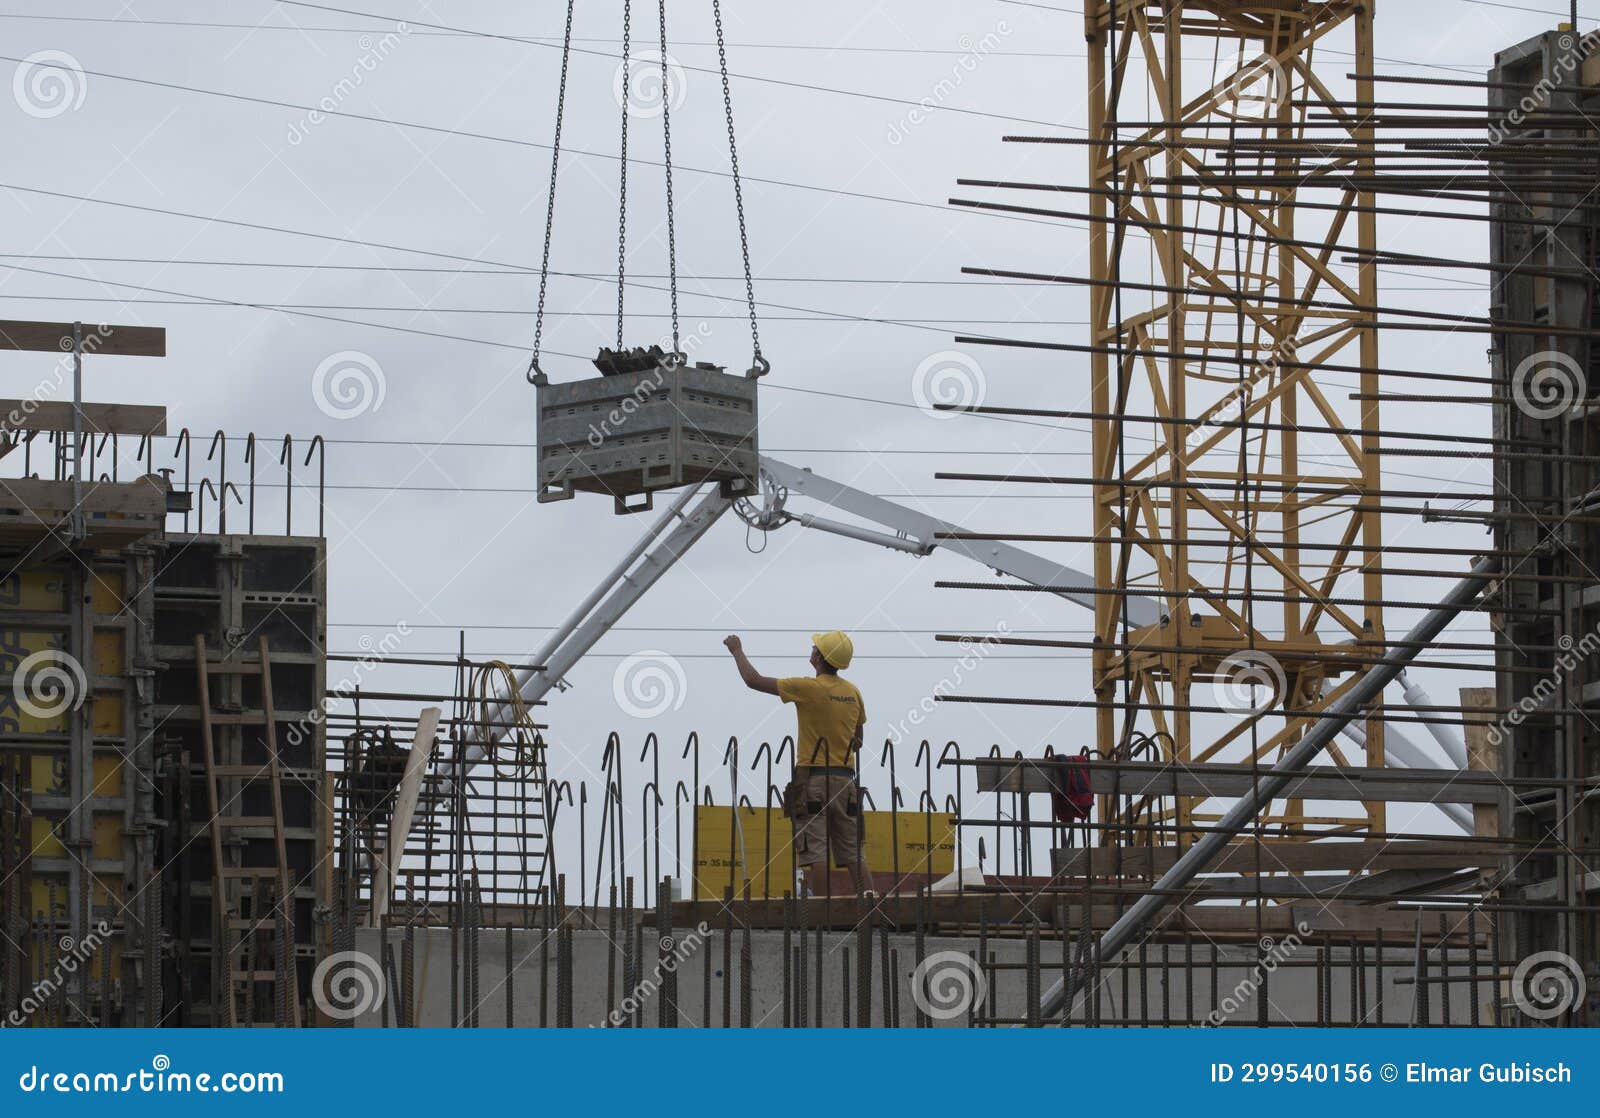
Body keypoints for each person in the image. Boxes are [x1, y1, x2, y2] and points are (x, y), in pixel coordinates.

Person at [723, 630, 870, 896]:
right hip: (846, 781)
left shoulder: (808, 688)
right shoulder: (853, 693)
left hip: (813, 781)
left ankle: (824, 913)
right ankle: (871, 909)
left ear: (819, 657)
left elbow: (752, 680)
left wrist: (736, 650)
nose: (811, 650)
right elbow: (857, 739)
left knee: (816, 850)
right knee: (853, 851)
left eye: (815, 648)